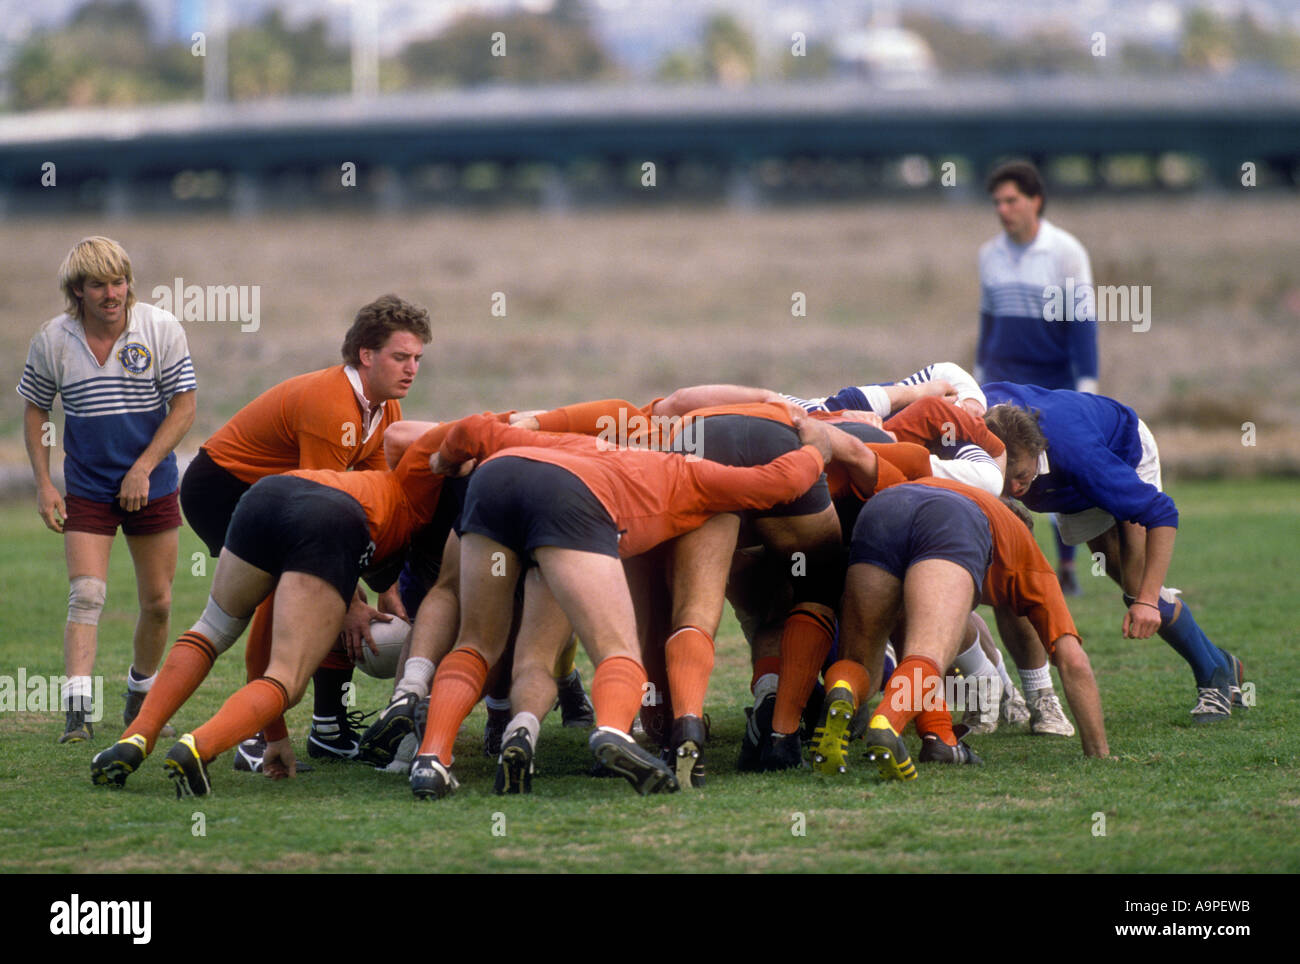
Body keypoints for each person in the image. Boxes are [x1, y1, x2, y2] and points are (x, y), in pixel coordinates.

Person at [408, 411, 832, 799]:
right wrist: (818, 449)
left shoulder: (584, 441)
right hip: (572, 502)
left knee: (477, 643)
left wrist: (443, 462)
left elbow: (472, 430)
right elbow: (777, 483)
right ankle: (612, 730)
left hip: (495, 482)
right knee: (617, 651)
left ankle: (432, 758)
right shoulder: (692, 473)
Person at [89, 418, 465, 796]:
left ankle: (135, 738)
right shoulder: (426, 499)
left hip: (270, 493)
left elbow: (261, 640)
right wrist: (516, 421)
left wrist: (276, 737)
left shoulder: (400, 486)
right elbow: (409, 438)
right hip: (332, 519)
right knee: (287, 679)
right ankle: (197, 747)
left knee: (212, 629)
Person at [179, 294, 430, 769]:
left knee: (323, 596)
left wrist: (388, 590)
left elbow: (368, 510)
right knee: (290, 597)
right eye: (401, 357)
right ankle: (256, 738)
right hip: (220, 488)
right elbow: (322, 521)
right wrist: (354, 604)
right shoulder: (332, 405)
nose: (412, 368)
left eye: (417, 358)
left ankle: (329, 729)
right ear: (366, 355)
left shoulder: (386, 411)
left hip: (281, 497)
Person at [810, 474, 1110, 782]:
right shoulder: (1026, 556)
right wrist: (1098, 751)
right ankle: (887, 722)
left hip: (884, 505)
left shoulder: (965, 494)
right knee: (927, 654)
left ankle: (843, 691)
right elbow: (1073, 661)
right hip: (952, 520)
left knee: (861, 663)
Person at [18, 237, 197, 744]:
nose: (112, 293)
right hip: (89, 488)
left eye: (118, 281)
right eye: (98, 284)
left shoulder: (160, 329)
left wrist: (143, 467)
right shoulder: (52, 339)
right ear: (78, 290)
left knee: (158, 603)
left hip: (153, 484)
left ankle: (140, 692)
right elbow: (35, 409)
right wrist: (45, 483)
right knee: (88, 594)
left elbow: (185, 406)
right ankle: (77, 711)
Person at [982, 382, 1246, 723]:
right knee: (1118, 573)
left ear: (1035, 451)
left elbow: (1162, 513)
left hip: (1121, 453)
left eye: (1019, 477)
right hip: (1066, 487)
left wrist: (1149, 601)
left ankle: (1214, 675)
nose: (1012, 491)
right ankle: (1224, 664)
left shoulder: (1081, 458)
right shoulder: (975, 422)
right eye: (1001, 480)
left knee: (1137, 587)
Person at [975, 161, 1096, 595]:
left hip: (1053, 387)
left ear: (1035, 201)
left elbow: (1083, 323)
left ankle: (1067, 569)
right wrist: (978, 378)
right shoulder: (989, 255)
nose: (1003, 210)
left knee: (1054, 477)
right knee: (999, 476)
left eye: (1011, 200)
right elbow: (989, 324)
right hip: (1005, 384)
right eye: (997, 202)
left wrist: (1087, 385)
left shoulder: (1065, 252)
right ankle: (1010, 567)